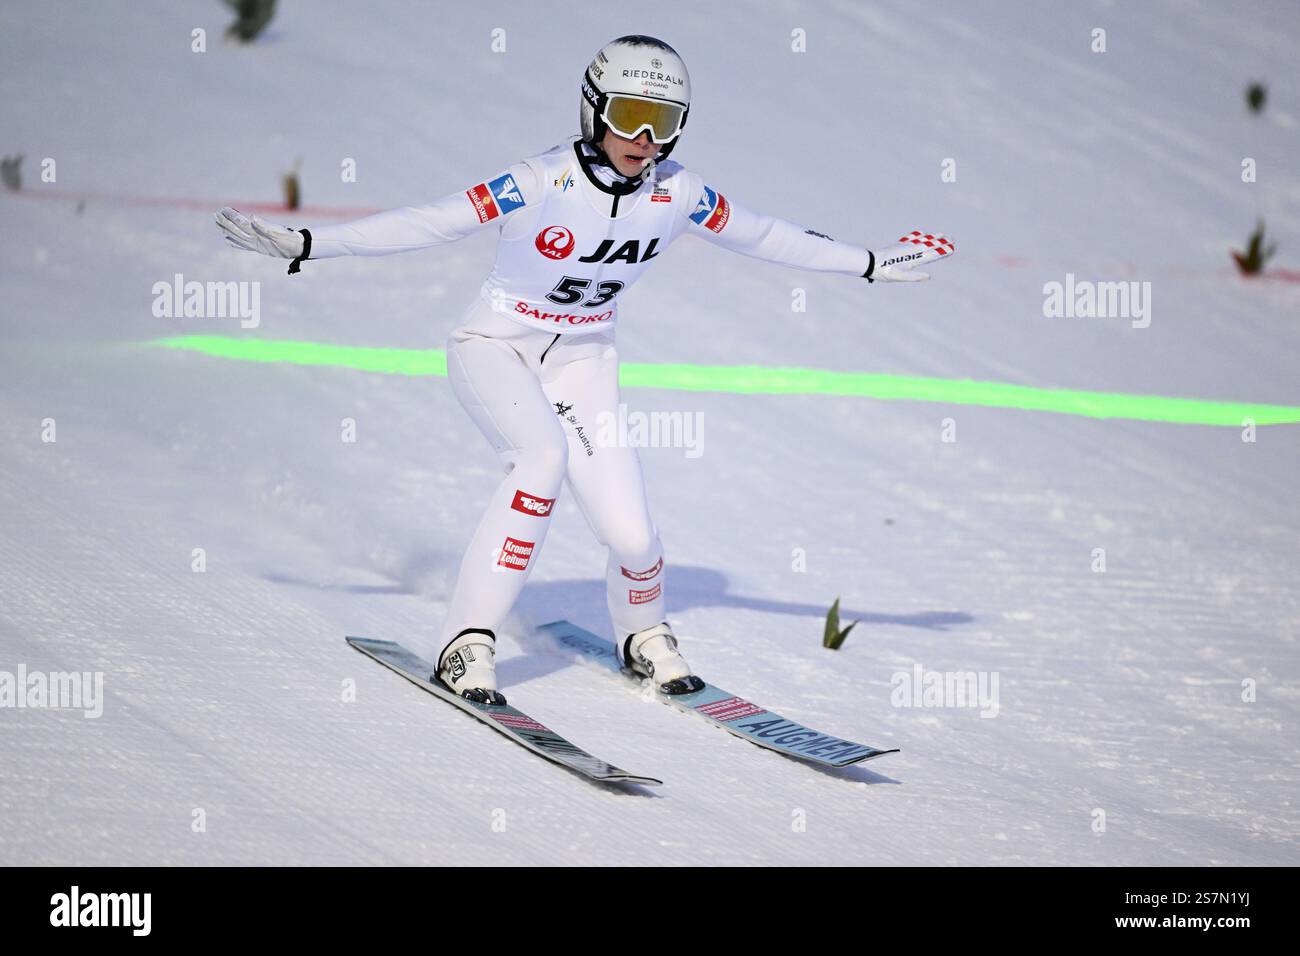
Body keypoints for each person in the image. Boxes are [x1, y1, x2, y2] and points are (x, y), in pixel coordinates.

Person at [214, 34, 954, 706]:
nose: (642, 137)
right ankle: (467, 642)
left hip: (582, 361)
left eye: (661, 121)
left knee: (633, 538)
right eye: (629, 114)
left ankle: (644, 636)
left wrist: (866, 264)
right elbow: (431, 219)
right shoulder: (538, 181)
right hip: (494, 347)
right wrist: (312, 242)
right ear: (593, 109)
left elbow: (763, 235)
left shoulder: (680, 192)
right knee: (540, 462)